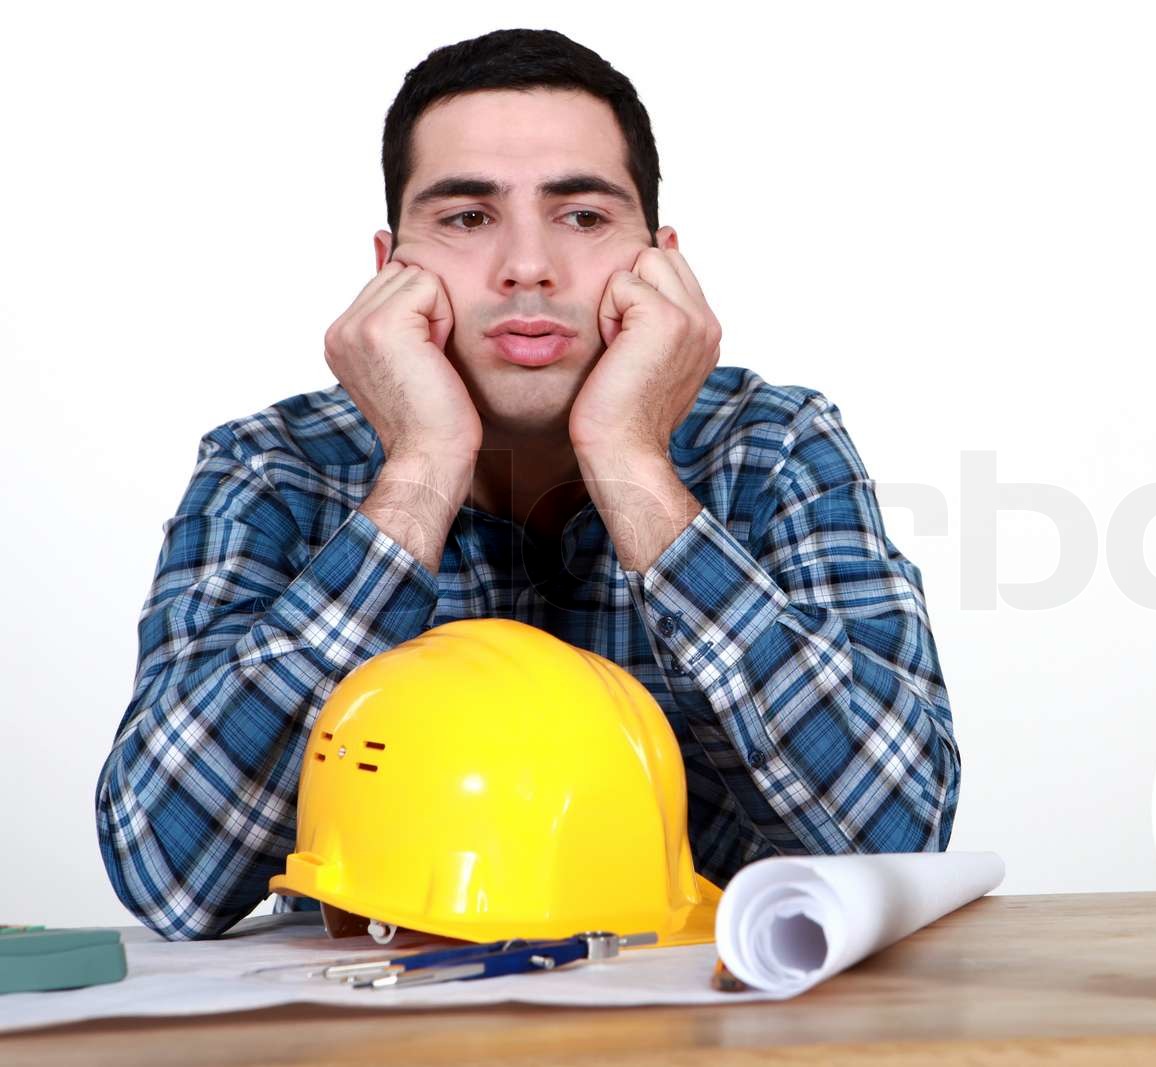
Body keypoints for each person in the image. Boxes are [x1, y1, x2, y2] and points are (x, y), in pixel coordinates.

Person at [95, 28, 960, 940]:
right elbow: (168, 873)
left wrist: (630, 459)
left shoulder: (775, 444)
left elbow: (894, 838)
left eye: (582, 216)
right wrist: (422, 468)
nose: (527, 266)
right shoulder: (271, 466)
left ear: (661, 259)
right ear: (390, 267)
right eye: (467, 217)